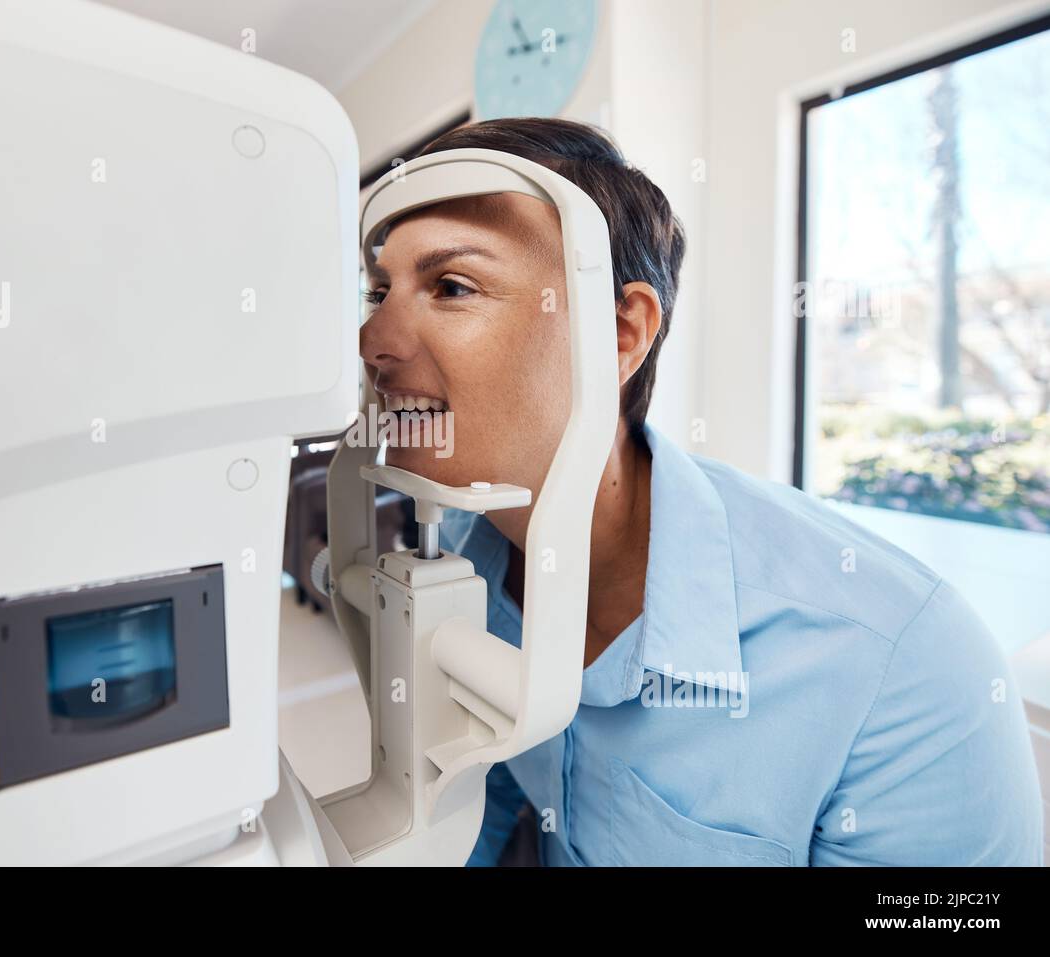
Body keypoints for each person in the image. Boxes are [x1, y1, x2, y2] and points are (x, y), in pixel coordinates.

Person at [359, 116, 1043, 866]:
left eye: (451, 285)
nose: (373, 342)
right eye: (381, 290)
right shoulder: (469, 563)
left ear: (619, 335)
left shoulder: (906, 669)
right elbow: (488, 800)